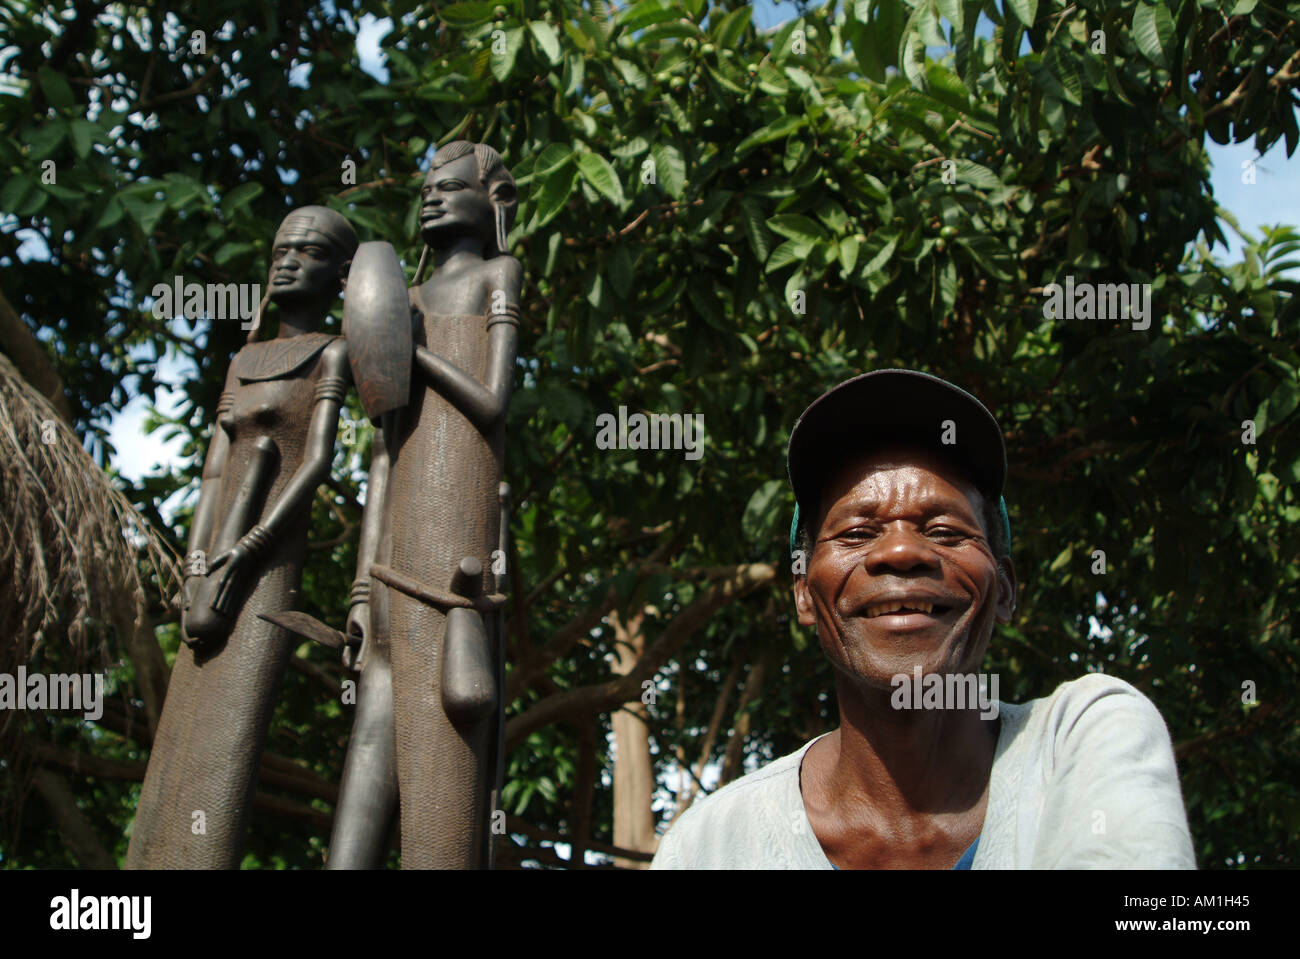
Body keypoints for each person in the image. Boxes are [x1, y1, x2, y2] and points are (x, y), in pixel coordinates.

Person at [651, 369, 1196, 869]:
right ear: (804, 596)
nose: (900, 553)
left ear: (1004, 591)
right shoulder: (710, 846)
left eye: (944, 531)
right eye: (858, 533)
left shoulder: (1080, 739)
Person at [127, 206, 357, 868]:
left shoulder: (331, 352)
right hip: (214, 562)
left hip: (265, 565)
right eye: (281, 250)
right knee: (178, 730)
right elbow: (213, 468)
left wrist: (249, 548)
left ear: (340, 276)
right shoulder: (243, 359)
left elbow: (315, 463)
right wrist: (196, 563)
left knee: (226, 741)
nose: (287, 261)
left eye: (308, 253)